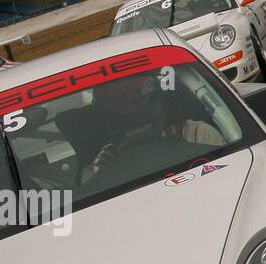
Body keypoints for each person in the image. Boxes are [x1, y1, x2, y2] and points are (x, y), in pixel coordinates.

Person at [80, 74, 225, 184]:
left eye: (137, 101)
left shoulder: (196, 134)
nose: (131, 111)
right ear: (107, 113)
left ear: (155, 98)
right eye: (120, 106)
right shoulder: (106, 161)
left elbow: (225, 176)